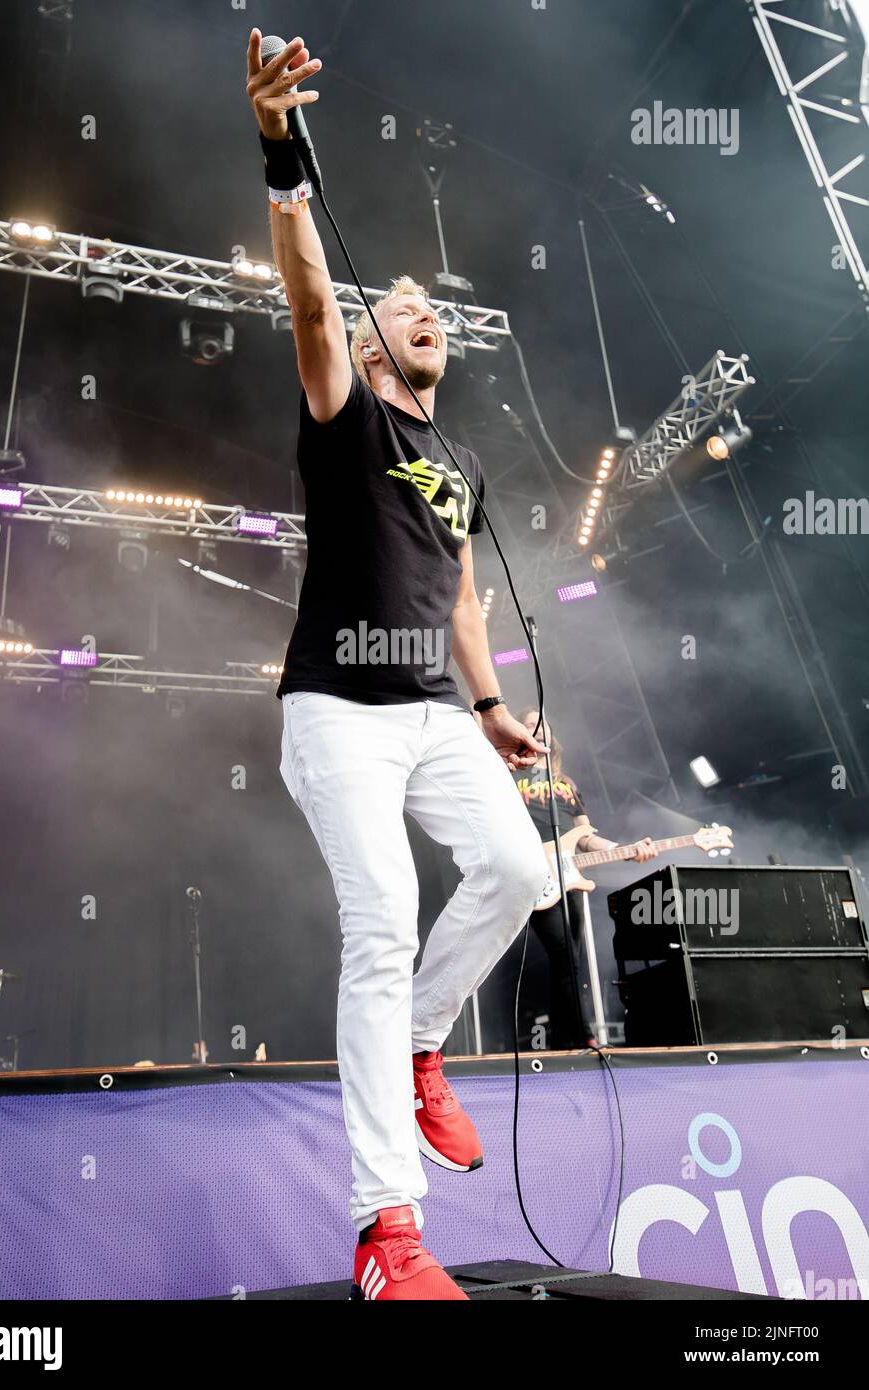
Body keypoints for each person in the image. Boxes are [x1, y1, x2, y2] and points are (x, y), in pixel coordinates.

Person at [247, 30, 550, 1300]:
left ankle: (425, 1046)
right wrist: (281, 154)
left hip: (432, 713)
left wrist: (490, 709)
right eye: (406, 303)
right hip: (338, 712)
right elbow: (313, 296)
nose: (426, 311)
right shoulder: (343, 407)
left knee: (524, 873)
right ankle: (387, 1228)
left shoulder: (465, 461)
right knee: (380, 922)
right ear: (373, 344)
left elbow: (465, 596)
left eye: (437, 308)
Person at [514, 710, 656, 1049]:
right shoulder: (505, 775)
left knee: (571, 958)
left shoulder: (566, 781)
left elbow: (585, 835)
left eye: (544, 723)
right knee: (563, 952)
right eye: (530, 723)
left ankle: (568, 1039)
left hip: (570, 875)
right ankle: (579, 1036)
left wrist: (624, 849)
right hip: (534, 870)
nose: (539, 727)